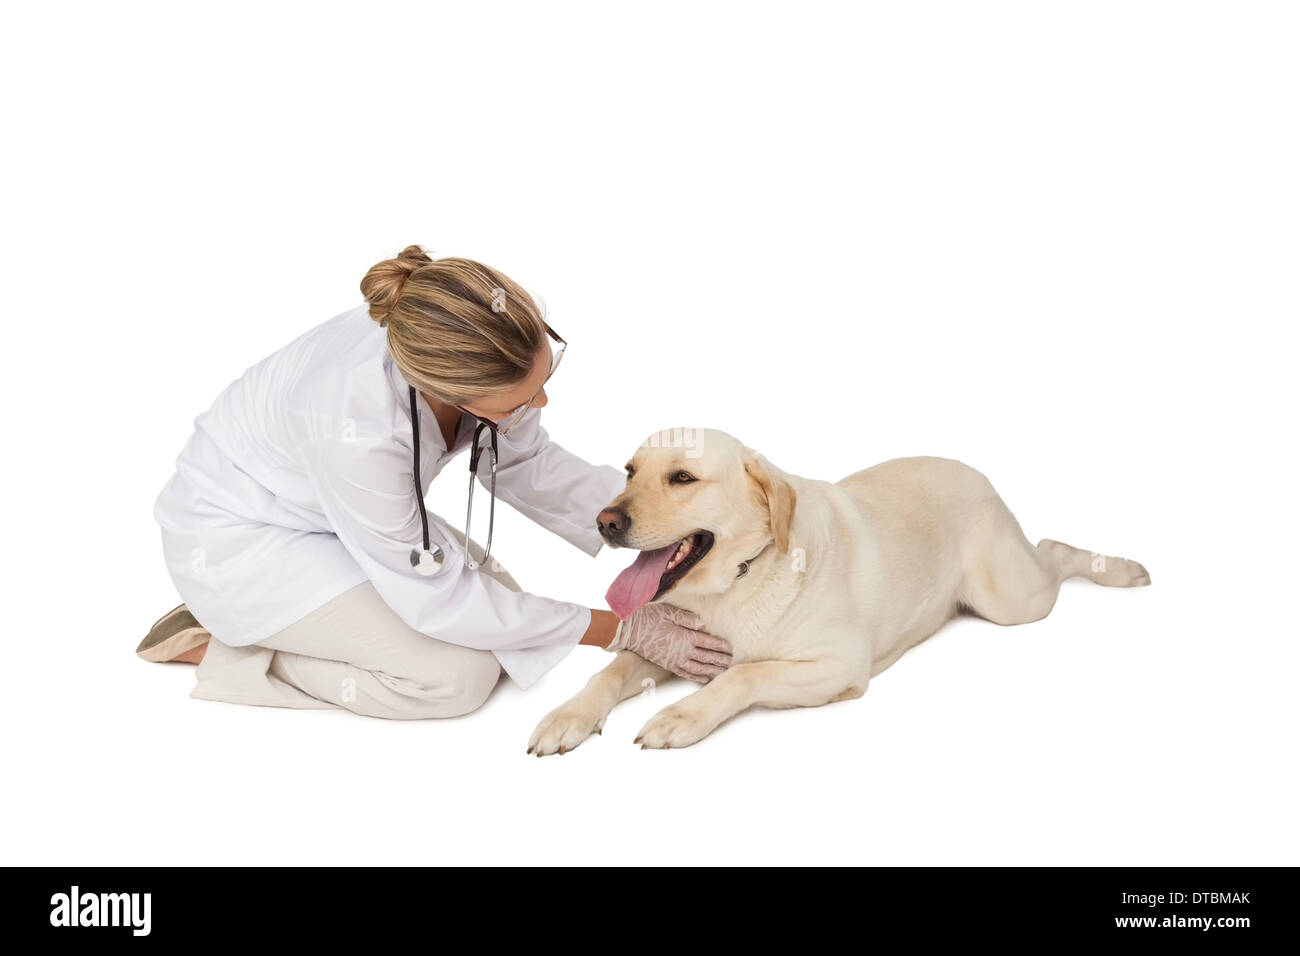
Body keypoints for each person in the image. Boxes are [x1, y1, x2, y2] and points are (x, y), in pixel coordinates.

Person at [142, 245, 731, 719]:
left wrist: (657, 520)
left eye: (542, 379)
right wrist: (619, 631)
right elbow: (439, 600)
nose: (542, 401)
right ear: (450, 390)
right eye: (521, 400)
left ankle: (307, 624)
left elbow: (527, 464)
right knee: (454, 678)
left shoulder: (477, 332)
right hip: (242, 541)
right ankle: (229, 647)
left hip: (334, 512)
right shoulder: (355, 427)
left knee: (499, 615)